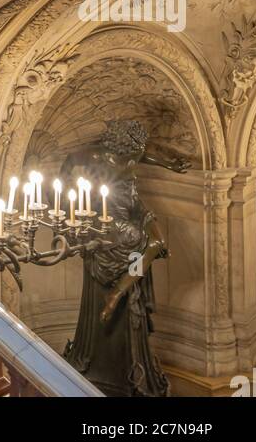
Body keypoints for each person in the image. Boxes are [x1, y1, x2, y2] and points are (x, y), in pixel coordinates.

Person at [61, 119, 189, 397]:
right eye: (132, 156)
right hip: (110, 222)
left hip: (133, 208)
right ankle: (117, 295)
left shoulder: (134, 152)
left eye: (138, 154)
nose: (136, 160)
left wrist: (170, 164)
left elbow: (148, 156)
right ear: (115, 150)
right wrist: (66, 202)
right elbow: (69, 162)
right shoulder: (95, 156)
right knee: (149, 245)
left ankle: (118, 293)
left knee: (158, 242)